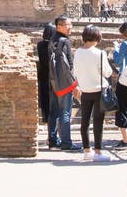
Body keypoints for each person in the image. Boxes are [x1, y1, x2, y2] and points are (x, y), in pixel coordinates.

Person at [73, 25, 113, 162]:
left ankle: (86, 150)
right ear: (97, 37)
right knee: (98, 121)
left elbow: (75, 73)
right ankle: (97, 152)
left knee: (84, 122)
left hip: (85, 90)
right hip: (98, 91)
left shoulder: (77, 52)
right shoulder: (99, 53)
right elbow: (108, 72)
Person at [47, 15, 81, 151]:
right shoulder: (65, 41)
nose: (70, 27)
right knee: (65, 112)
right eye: (67, 25)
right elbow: (69, 64)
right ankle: (66, 142)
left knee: (54, 112)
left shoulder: (52, 40)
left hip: (54, 81)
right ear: (59, 26)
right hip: (65, 83)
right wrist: (74, 84)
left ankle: (53, 140)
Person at [113, 21, 127, 148]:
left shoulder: (125, 44)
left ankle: (125, 140)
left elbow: (118, 61)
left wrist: (116, 49)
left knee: (123, 107)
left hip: (126, 79)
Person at [36, 22, 56, 127]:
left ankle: (49, 130)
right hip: (54, 78)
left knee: (46, 104)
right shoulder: (55, 45)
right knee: (55, 106)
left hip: (43, 76)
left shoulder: (39, 45)